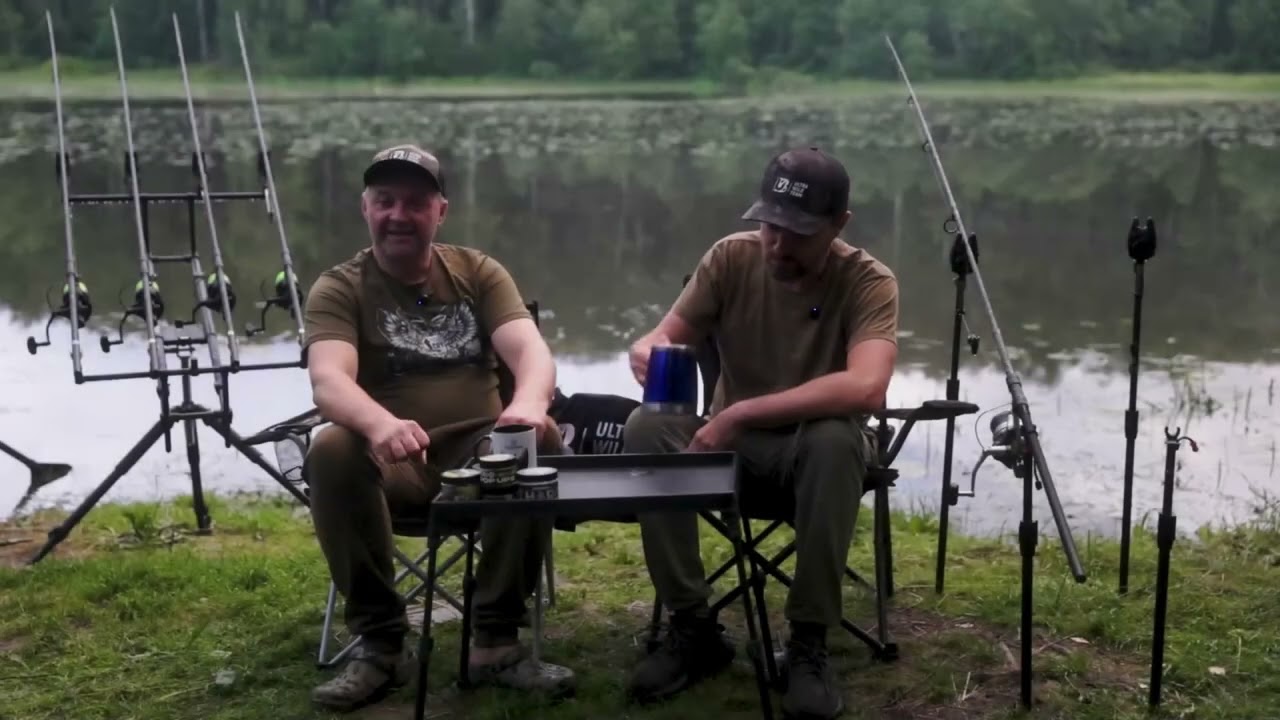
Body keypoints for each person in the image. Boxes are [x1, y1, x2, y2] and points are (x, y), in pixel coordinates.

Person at [622, 147, 899, 719]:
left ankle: (807, 643)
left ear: (838, 225)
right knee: (646, 427)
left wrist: (742, 413)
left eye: (798, 233)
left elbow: (866, 388)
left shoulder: (869, 282)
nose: (778, 245)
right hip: (729, 452)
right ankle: (693, 628)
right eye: (771, 226)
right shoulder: (729, 259)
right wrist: (646, 349)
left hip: (812, 456)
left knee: (837, 438)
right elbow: (668, 332)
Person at [301, 144, 575, 711]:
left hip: (483, 453)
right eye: (385, 201)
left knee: (539, 435)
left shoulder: (478, 271)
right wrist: (379, 425)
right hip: (395, 458)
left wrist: (525, 406)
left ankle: (495, 642)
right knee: (330, 447)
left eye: (415, 203)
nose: (398, 215)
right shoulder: (339, 287)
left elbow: (532, 353)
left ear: (440, 210)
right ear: (365, 208)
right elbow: (328, 381)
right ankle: (380, 645)